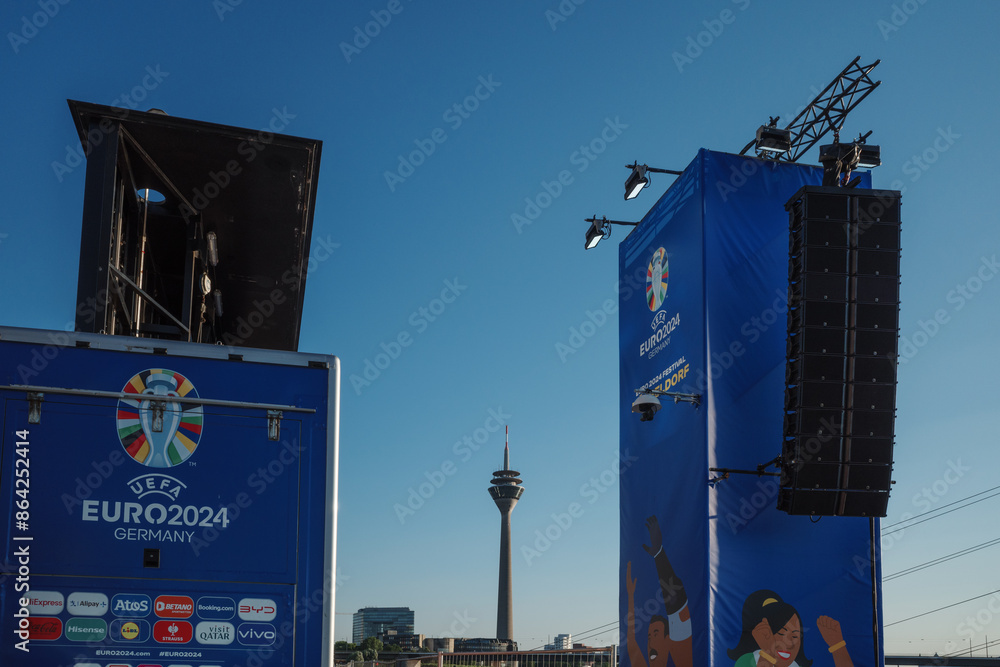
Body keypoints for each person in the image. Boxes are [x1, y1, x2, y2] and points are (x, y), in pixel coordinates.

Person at [626, 516, 692, 667]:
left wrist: (659, 555)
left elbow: (678, 610)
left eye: (655, 635)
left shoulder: (683, 662)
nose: (650, 642)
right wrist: (630, 595)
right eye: (649, 636)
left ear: (669, 640)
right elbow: (631, 642)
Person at [726, 590, 853, 667]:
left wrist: (837, 645)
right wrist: (768, 652)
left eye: (795, 636)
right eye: (781, 633)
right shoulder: (748, 661)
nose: (790, 643)